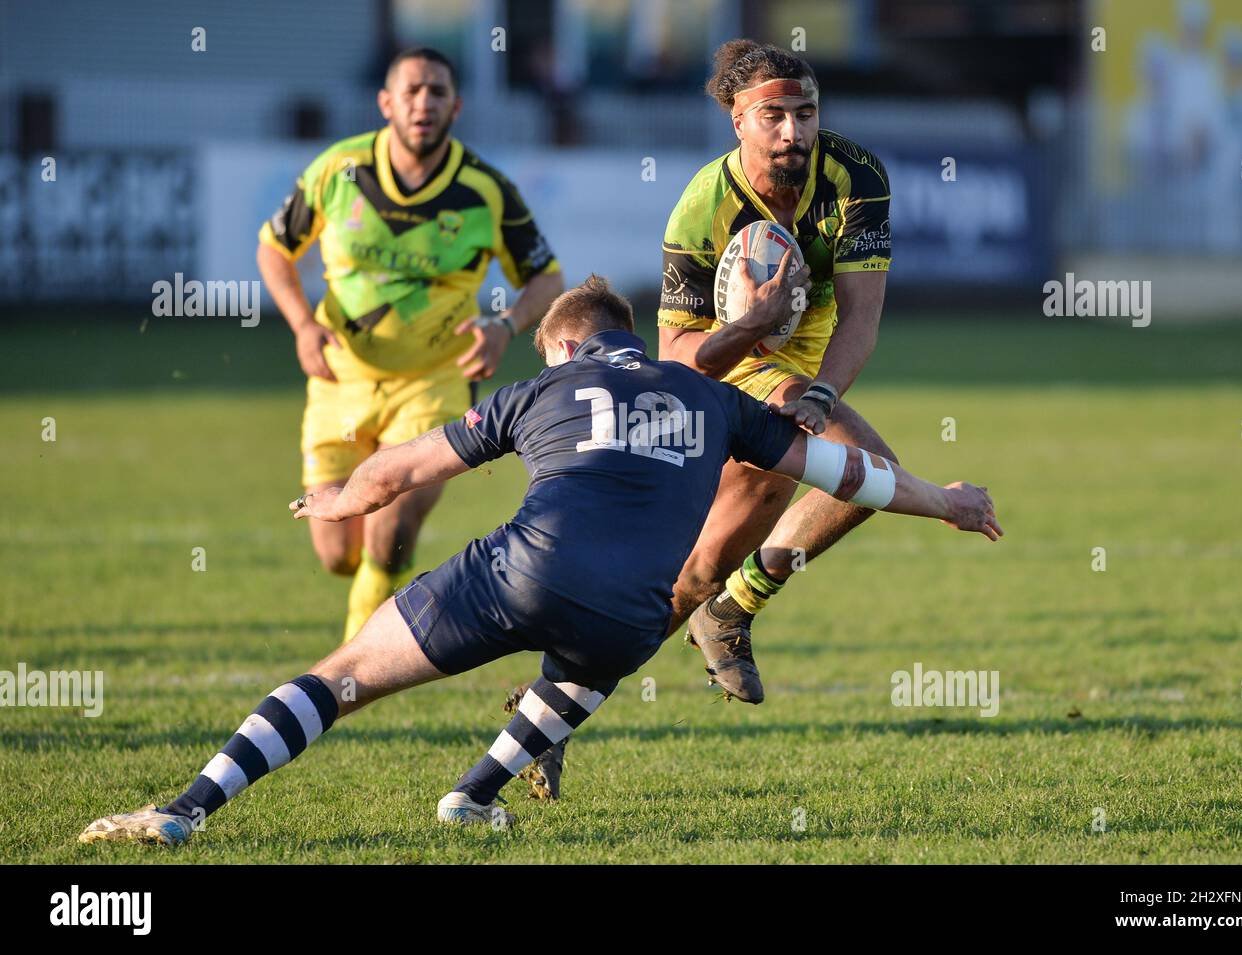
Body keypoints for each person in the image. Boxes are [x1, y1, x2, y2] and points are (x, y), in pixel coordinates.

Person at [79, 275, 1000, 844]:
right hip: (635, 612)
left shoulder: (544, 383)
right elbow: (849, 473)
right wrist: (945, 501)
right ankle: (474, 795)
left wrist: (342, 498)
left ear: (566, 342)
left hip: (523, 569)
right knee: (591, 661)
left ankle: (188, 807)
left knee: (346, 672)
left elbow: (407, 465)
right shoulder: (716, 400)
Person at [257, 46, 563, 643]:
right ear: (387, 102)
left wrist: (503, 326)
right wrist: (301, 324)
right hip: (339, 379)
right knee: (337, 555)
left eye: (437, 92)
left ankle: (349, 671)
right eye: (413, 91)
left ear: (456, 106)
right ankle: (364, 606)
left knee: (389, 521)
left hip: (436, 380)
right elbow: (274, 249)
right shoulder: (338, 171)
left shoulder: (485, 191)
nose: (424, 103)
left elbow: (547, 278)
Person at [658, 39, 898, 702]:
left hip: (811, 362)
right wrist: (748, 328)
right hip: (733, 359)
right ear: (738, 120)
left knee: (699, 571)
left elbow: (861, 317)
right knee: (871, 467)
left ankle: (552, 711)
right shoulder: (703, 203)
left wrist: (821, 391)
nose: (795, 129)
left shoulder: (856, 178)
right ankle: (734, 609)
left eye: (807, 112)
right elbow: (675, 351)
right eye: (774, 116)